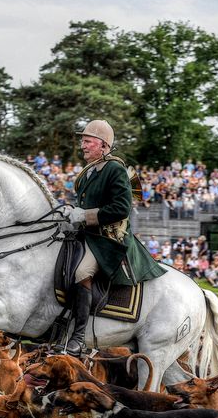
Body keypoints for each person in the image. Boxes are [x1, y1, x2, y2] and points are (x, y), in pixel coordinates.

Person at [61, 119, 166, 355]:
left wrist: (85, 216)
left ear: (103, 145)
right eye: (83, 141)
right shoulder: (89, 173)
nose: (83, 145)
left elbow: (121, 208)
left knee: (81, 272)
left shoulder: (114, 168)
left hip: (107, 240)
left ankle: (77, 338)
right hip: (86, 234)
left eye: (88, 141)